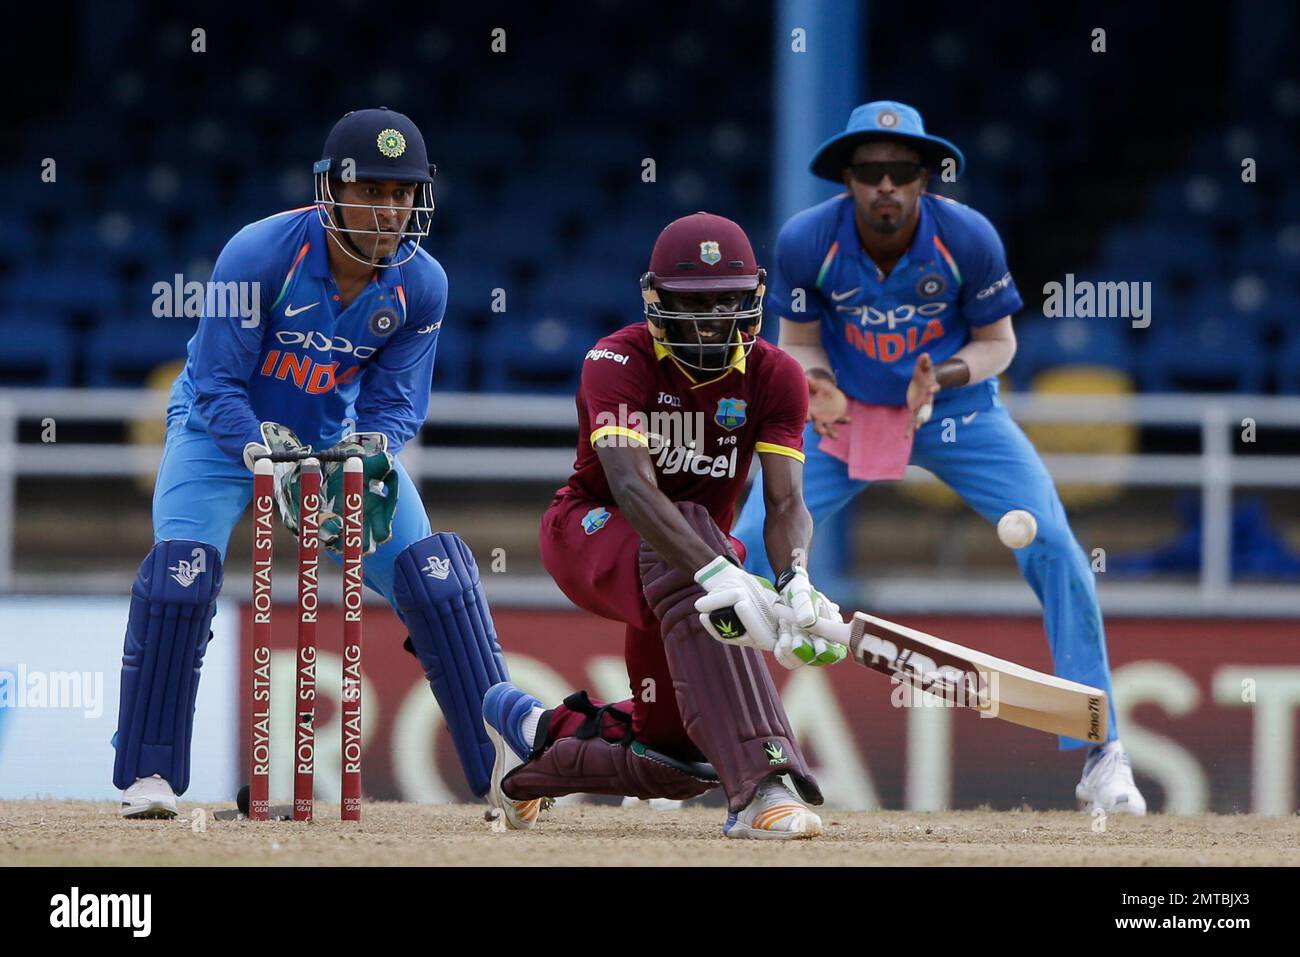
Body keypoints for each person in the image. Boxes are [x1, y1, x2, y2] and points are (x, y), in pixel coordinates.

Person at [113, 108, 537, 825]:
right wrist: (259, 453)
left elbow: (398, 404)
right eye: (372, 191)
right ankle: (148, 771)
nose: (390, 210)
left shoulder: (421, 284)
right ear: (329, 191)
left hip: (334, 440)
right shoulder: (258, 255)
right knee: (178, 575)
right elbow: (217, 383)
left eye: (403, 194)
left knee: (436, 578)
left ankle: (510, 759)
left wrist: (365, 454)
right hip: (219, 434)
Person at [730, 101, 1146, 815]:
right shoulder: (808, 239)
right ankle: (698, 742)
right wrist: (820, 388)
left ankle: (1101, 751)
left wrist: (944, 376)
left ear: (924, 179)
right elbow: (796, 343)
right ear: (848, 180)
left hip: (956, 411)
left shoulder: (966, 236)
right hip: (847, 416)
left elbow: (999, 343)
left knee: (1056, 546)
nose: (886, 185)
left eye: (901, 171)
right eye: (870, 172)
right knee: (736, 560)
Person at [482, 212, 847, 840]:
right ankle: (764, 787)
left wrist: (794, 580)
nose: (710, 319)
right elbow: (630, 486)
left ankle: (534, 747)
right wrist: (720, 573)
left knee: (679, 758)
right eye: (693, 303)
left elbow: (786, 504)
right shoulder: (617, 357)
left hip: (695, 565)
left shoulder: (777, 375)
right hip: (591, 532)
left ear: (751, 299)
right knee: (693, 530)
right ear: (658, 301)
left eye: (726, 301)